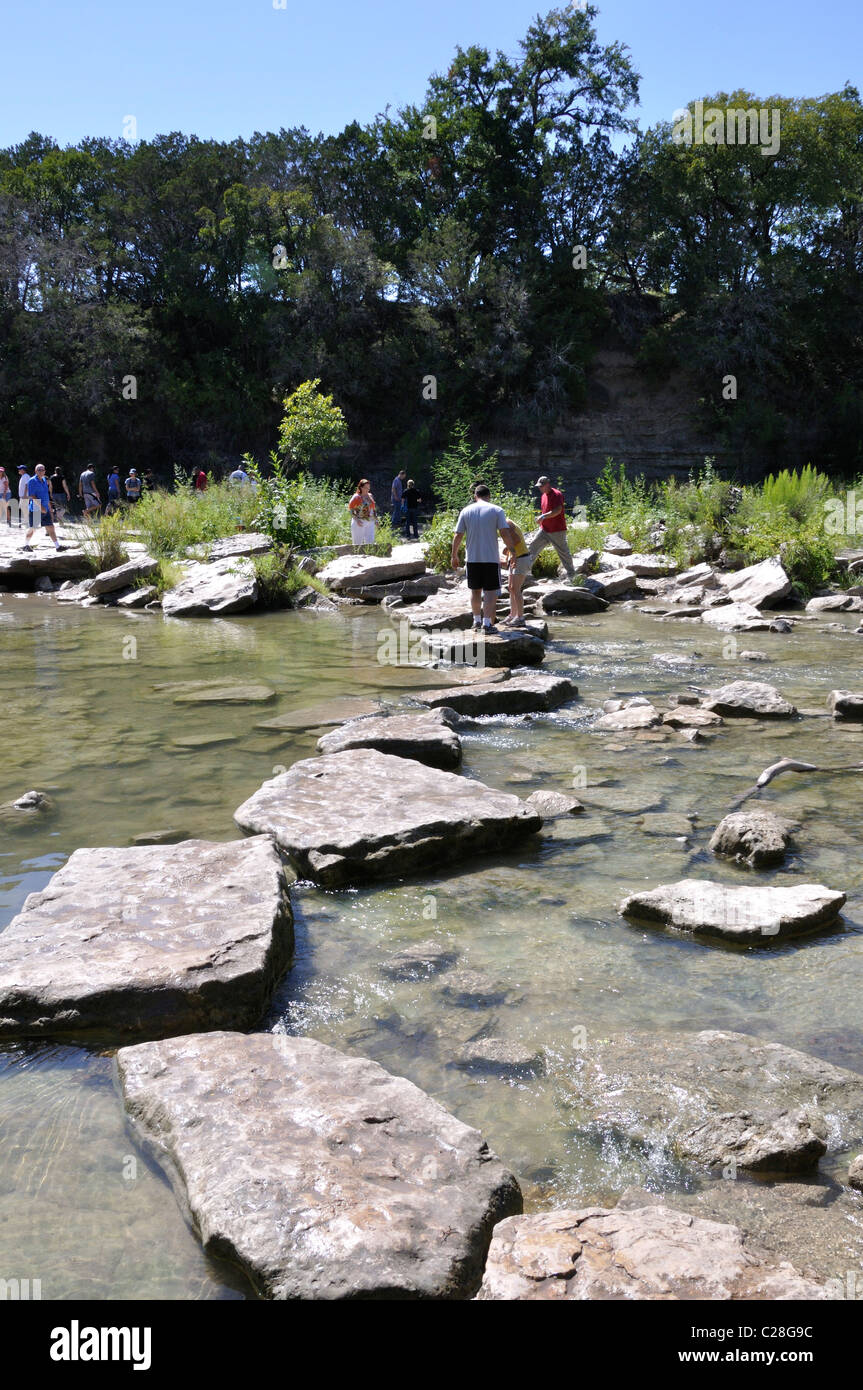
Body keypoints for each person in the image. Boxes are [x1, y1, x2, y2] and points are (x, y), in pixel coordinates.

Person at [450, 484, 517, 635]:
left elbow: (458, 535)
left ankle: (476, 621)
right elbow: (504, 533)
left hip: (472, 559)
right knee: (490, 592)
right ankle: (487, 624)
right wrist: (512, 551)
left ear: (475, 496)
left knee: (475, 591)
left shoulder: (466, 510)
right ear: (489, 496)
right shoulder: (496, 510)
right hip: (490, 558)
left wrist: (454, 555)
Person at [526, 475, 576, 578]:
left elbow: (558, 510)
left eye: (542, 486)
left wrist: (543, 516)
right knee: (532, 548)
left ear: (548, 484)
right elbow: (546, 510)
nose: (540, 488)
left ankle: (572, 575)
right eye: (539, 486)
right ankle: (524, 573)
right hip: (544, 529)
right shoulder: (543, 495)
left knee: (563, 553)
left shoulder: (557, 494)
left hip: (557, 530)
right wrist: (541, 520)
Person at [500, 515, 531, 627]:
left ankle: (520, 617)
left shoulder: (506, 523)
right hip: (516, 558)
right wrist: (507, 549)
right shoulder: (505, 523)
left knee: (515, 588)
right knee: (511, 588)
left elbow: (516, 540)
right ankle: (512, 615)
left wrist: (508, 548)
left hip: (521, 558)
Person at [22, 463, 61, 551]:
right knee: (33, 528)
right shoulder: (32, 481)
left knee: (51, 527)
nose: (41, 471)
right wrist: (41, 507)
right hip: (36, 509)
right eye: (39, 470)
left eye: (42, 470)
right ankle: (26, 545)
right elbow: (32, 496)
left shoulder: (44, 480)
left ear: (44, 471)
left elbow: (45, 495)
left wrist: (48, 507)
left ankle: (58, 546)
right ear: (36, 471)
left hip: (45, 508)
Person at [348, 478, 377, 547]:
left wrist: (376, 520)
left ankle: (370, 556)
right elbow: (350, 510)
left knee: (370, 543)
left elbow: (373, 509)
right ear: (361, 487)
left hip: (370, 522)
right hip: (359, 522)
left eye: (368, 488)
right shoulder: (356, 497)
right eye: (365, 488)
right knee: (357, 544)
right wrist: (357, 520)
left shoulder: (370, 496)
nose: (367, 489)